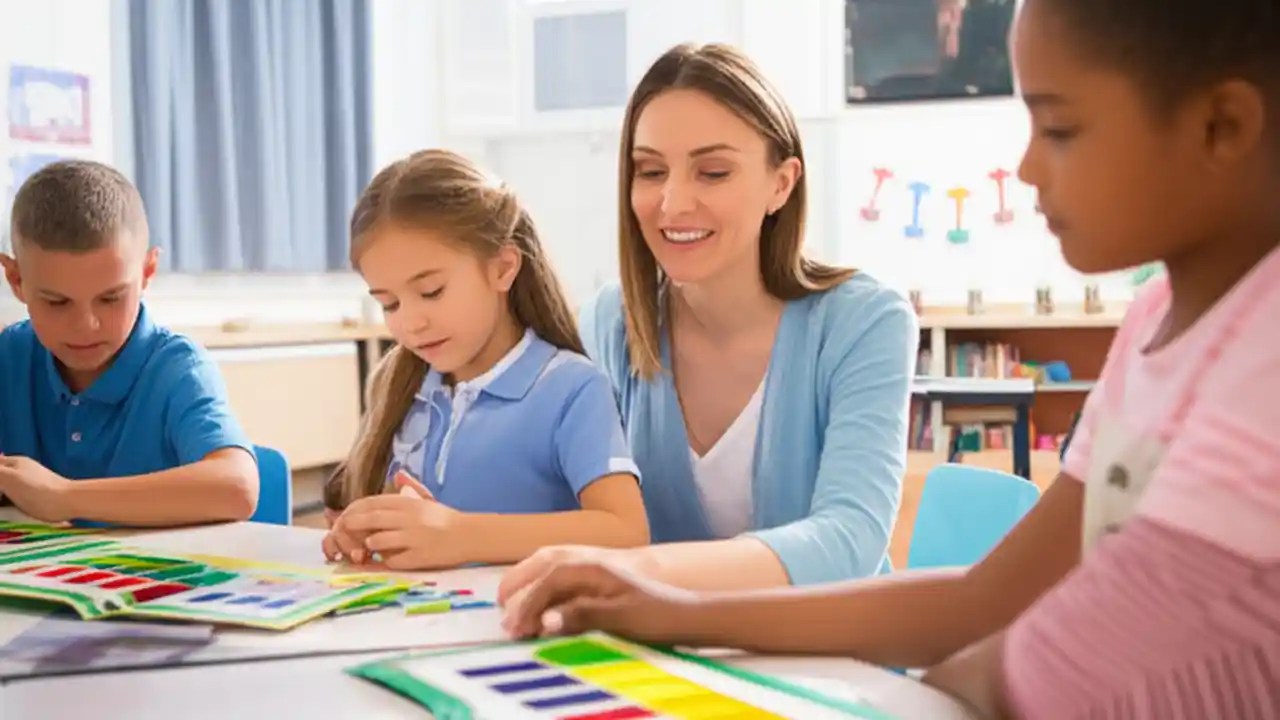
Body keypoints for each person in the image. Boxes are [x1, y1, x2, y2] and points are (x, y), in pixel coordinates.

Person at [501, 1, 1280, 717]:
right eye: (649, 170)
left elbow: (1097, 654)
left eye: (1062, 129)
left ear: (1221, 128)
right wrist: (671, 612)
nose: (1028, 169)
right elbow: (991, 601)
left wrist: (667, 597)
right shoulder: (1154, 324)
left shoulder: (1257, 356)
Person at [499, 42, 918, 599]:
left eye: (713, 172)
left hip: (826, 658)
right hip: (669, 659)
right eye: (650, 171)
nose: (672, 204)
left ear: (781, 183)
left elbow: (850, 540)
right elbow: (570, 505)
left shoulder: (864, 322)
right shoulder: (612, 321)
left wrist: (640, 573)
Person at [321, 149, 648, 570]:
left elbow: (626, 533)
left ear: (503, 268)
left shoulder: (570, 388)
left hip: (522, 626)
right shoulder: (400, 384)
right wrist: (365, 529)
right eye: (390, 303)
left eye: (432, 291)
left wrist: (460, 536)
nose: (411, 323)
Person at [0, 160, 258, 526]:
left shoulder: (177, 368)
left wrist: (64, 497)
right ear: (15, 279)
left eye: (111, 298)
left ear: (148, 272)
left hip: (156, 579)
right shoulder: (9, 355)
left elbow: (238, 487)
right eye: (57, 302)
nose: (85, 325)